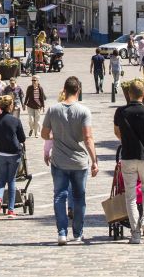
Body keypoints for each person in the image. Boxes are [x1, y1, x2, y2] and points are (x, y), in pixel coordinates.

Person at [42, 76, 99, 245]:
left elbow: (44, 134)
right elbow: (88, 138)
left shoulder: (53, 110)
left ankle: (61, 232)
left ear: (64, 89)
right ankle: (78, 233)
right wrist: (95, 161)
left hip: (59, 160)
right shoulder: (84, 111)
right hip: (79, 161)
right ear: (78, 91)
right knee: (79, 197)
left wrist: (56, 135)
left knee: (60, 196)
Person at [114, 79, 144, 244]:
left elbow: (117, 132)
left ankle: (135, 233)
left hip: (127, 156)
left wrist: (126, 141)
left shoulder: (120, 112)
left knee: (130, 195)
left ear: (128, 94)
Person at [0, 95, 26, 218]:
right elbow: (22, 138)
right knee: (11, 180)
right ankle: (10, 210)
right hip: (13, 154)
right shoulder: (15, 120)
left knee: (1, 180)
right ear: (10, 106)